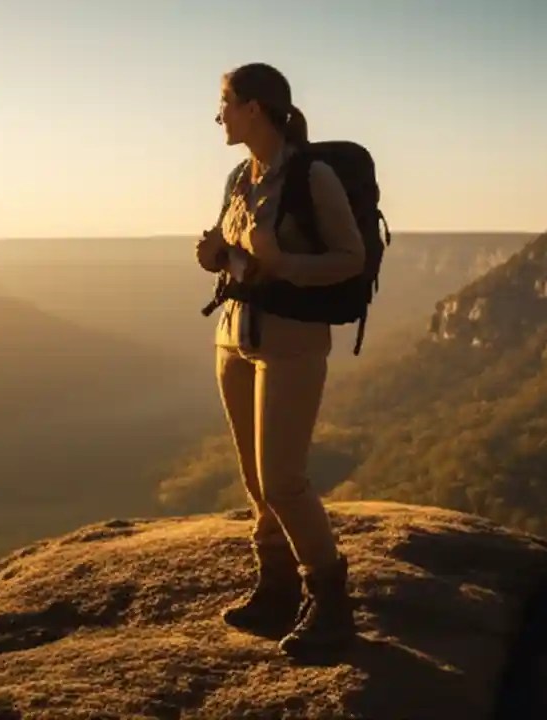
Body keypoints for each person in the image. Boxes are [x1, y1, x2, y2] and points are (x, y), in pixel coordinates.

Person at [195, 62, 365, 656]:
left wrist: (285, 265)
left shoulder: (310, 177)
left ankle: (332, 605)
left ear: (255, 109)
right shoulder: (240, 176)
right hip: (234, 333)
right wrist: (216, 256)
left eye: (225, 103)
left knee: (284, 480)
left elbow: (350, 258)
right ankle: (276, 590)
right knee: (254, 480)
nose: (219, 115)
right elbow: (235, 249)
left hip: (292, 340)